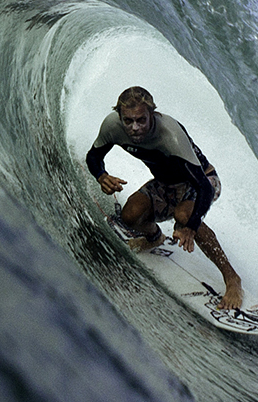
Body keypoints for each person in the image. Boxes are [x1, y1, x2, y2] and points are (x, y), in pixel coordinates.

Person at [85, 86, 245, 311]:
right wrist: (101, 175)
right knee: (130, 215)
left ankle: (232, 278)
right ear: (119, 116)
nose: (135, 127)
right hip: (165, 185)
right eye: (128, 121)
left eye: (141, 120)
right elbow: (94, 156)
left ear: (153, 113)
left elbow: (204, 188)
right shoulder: (113, 126)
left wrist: (190, 226)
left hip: (203, 181)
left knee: (184, 216)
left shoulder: (170, 136)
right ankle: (154, 238)